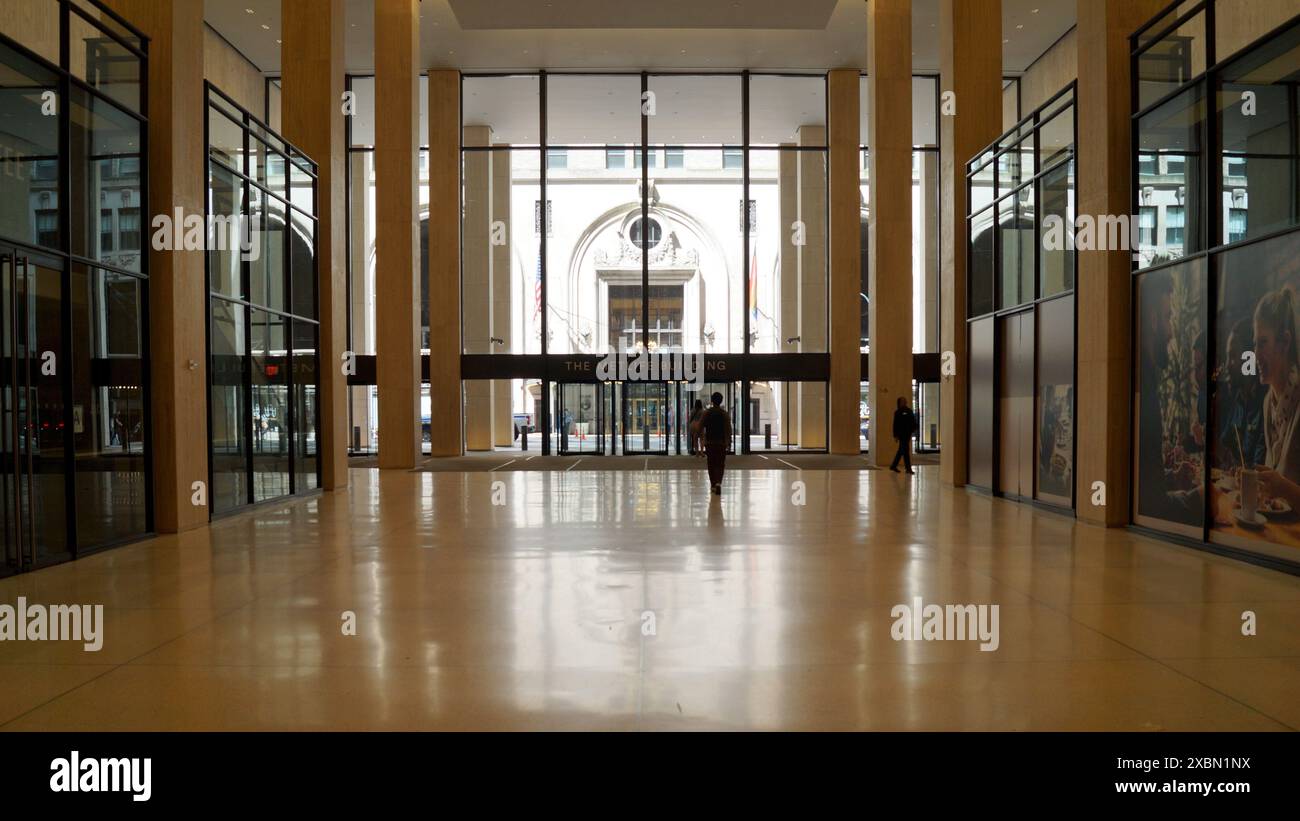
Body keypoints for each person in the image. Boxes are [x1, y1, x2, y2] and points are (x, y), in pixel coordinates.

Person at [700, 392, 732, 494]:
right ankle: (718, 483)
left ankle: (713, 484)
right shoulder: (724, 414)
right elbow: (728, 429)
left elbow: (700, 426)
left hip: (710, 442)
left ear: (712, 401)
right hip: (721, 442)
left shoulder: (707, 413)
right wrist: (728, 441)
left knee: (711, 463)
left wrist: (701, 438)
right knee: (720, 464)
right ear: (721, 401)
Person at [890, 396, 917, 474]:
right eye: (903, 401)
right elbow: (895, 425)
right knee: (904, 450)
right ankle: (907, 468)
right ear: (899, 403)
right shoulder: (897, 412)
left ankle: (895, 466)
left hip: (907, 433)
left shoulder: (909, 411)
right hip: (901, 434)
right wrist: (895, 435)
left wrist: (914, 428)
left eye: (905, 401)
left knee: (903, 450)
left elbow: (913, 421)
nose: (904, 402)